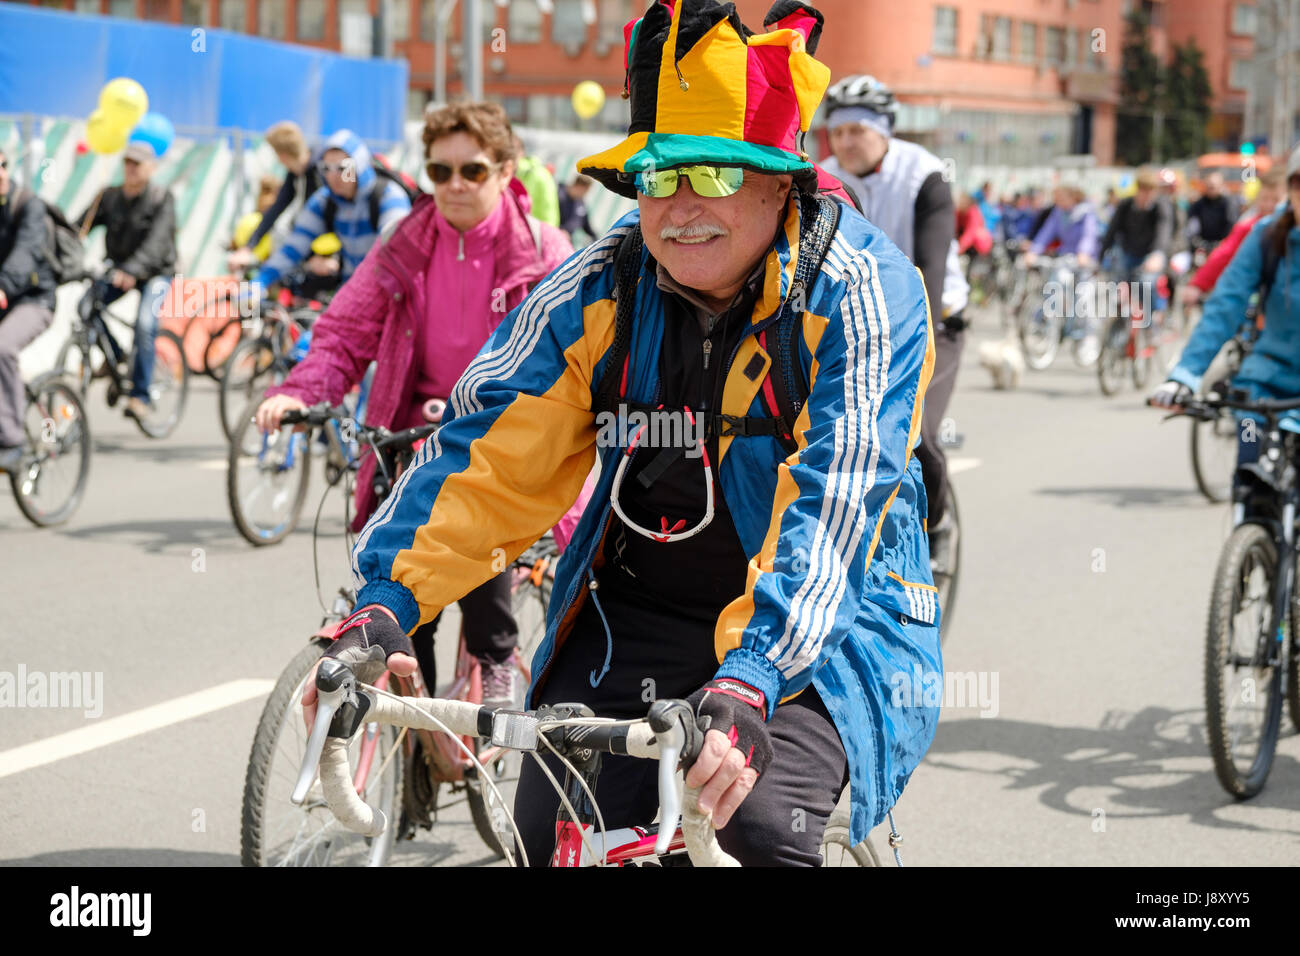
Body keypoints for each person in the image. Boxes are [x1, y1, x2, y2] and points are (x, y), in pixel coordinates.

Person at [310, 0, 939, 867]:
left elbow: (840, 493)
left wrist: (754, 674)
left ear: (778, 181)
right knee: (551, 829)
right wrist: (385, 603)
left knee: (753, 833)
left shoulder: (861, 289)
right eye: (656, 177)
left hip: (829, 621)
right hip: (641, 608)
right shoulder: (600, 285)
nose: (680, 207)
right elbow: (487, 454)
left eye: (712, 176)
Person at [256, 102, 574, 708]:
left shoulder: (545, 251)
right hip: (409, 431)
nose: (454, 185)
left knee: (476, 526)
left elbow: (580, 362)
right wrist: (298, 391)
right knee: (393, 585)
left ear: (507, 171)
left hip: (503, 434)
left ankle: (496, 658)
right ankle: (412, 745)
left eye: (472, 171)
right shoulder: (403, 243)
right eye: (439, 171)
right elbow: (345, 331)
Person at [819, 72, 967, 570]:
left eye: (856, 131)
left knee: (914, 432)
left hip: (932, 320)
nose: (844, 143)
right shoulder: (822, 176)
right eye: (836, 132)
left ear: (884, 131)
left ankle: (940, 521)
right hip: (852, 323)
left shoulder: (924, 175)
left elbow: (930, 266)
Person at [1150, 146, 1300, 471]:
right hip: (1266, 382)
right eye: (1299, 183)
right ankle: (1250, 511)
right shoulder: (1265, 235)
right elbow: (1225, 303)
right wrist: (1186, 374)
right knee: (1250, 460)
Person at [73, 140, 176, 421]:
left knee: (145, 325)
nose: (130, 168)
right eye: (127, 162)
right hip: (119, 271)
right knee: (86, 308)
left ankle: (140, 396)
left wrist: (133, 269)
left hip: (155, 272)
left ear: (151, 168)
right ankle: (116, 357)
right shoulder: (108, 196)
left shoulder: (160, 197)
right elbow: (79, 228)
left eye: (137, 164)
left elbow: (158, 243)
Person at [251, 129, 411, 295]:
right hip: (351, 293)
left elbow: (394, 252)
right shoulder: (325, 201)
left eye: (343, 168)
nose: (334, 176)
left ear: (360, 166)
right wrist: (260, 281)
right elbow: (294, 245)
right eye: (326, 168)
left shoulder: (389, 197)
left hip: (389, 295)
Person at [0, 145, 58, 472]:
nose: (1, 173)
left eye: (4, 165)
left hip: (34, 299)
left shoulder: (28, 205)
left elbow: (24, 254)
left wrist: (3, 286)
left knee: (2, 347)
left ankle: (11, 440)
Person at [1182, 167, 1286, 307]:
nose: (1268, 205)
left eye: (1275, 200)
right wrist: (1198, 284)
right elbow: (1225, 252)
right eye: (1264, 199)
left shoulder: (1228, 203)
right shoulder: (1250, 228)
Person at [228, 121, 321, 272]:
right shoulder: (295, 174)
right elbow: (276, 208)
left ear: (282, 156)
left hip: (325, 250)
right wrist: (249, 247)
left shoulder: (319, 172)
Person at [1098, 166, 1173, 320]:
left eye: (1150, 191)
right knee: (1115, 285)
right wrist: (1100, 257)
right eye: (1143, 190)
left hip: (1149, 256)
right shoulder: (1125, 205)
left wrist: (1157, 255)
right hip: (1128, 253)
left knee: (1147, 284)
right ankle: (1116, 324)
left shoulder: (1160, 207)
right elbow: (1111, 232)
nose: (1146, 195)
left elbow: (1163, 232)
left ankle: (1151, 322)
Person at [1186, 171, 1241, 247]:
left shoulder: (1228, 204)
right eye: (1209, 186)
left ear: (1221, 185)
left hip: (1223, 246)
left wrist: (1222, 244)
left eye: (1213, 187)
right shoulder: (1198, 205)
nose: (1211, 189)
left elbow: (1232, 225)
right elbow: (1192, 226)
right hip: (1202, 246)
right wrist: (1197, 242)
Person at [557, 174, 597, 242]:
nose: (586, 194)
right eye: (585, 191)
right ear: (579, 186)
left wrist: (596, 239)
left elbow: (587, 226)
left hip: (566, 241)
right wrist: (560, 230)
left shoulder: (581, 204)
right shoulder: (559, 195)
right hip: (554, 235)